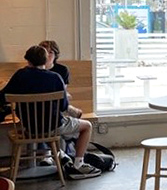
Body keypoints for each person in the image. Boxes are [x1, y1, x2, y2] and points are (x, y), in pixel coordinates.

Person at [1, 45, 101, 179]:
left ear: (27, 59)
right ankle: (78, 164)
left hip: (28, 128)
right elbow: (63, 106)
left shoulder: (20, 75)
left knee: (43, 127)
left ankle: (57, 155)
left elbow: (2, 98)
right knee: (87, 126)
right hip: (54, 127)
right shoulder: (55, 77)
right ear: (45, 60)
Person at [39, 39, 83, 118]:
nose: (47, 55)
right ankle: (68, 108)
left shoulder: (62, 69)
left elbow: (62, 90)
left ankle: (67, 108)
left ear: (55, 55)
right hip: (39, 103)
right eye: (44, 52)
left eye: (50, 52)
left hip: (57, 101)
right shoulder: (35, 70)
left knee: (62, 95)